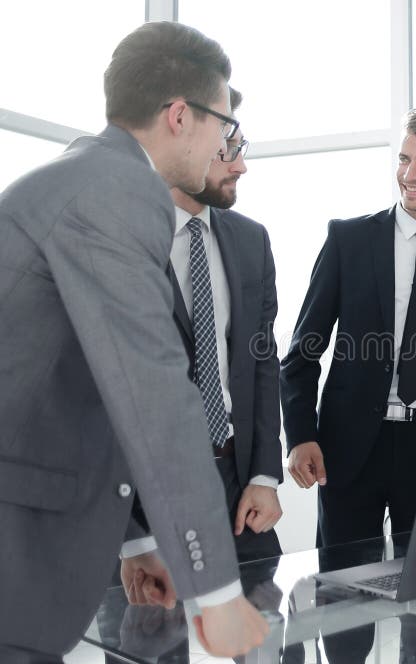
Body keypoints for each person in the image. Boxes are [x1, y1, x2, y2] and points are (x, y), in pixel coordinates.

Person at [0, 21, 268, 662]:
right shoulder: (122, 191)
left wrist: (137, 544)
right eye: (223, 126)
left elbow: (84, 388)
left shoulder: (83, 174)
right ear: (181, 115)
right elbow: (154, 397)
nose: (226, 146)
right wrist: (219, 593)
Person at [280, 108, 416, 548]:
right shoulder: (349, 240)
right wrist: (300, 434)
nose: (408, 174)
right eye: (404, 159)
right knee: (343, 593)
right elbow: (304, 349)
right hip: (351, 442)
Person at [166, 86, 283, 562]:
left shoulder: (250, 239)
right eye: (226, 150)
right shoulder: (123, 237)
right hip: (154, 492)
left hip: (239, 485)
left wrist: (263, 476)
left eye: (239, 149)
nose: (240, 165)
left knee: (273, 633)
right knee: (149, 635)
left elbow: (262, 362)